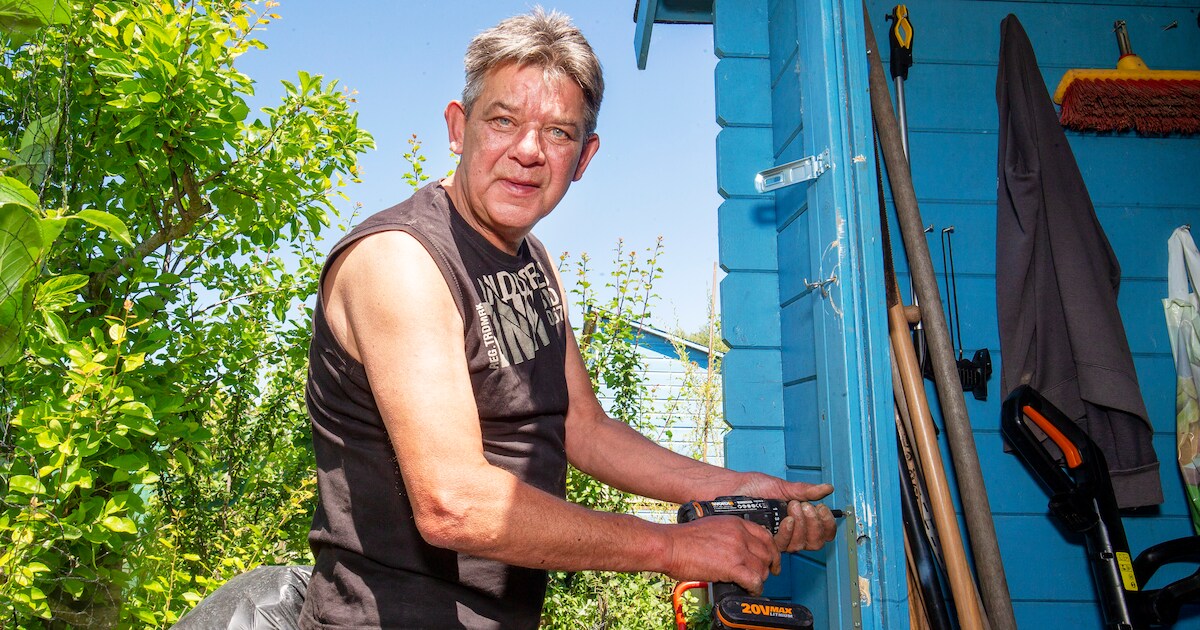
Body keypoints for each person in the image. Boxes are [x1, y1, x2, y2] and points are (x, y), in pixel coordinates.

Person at [299, 8, 837, 629]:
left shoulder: (531, 262)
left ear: (584, 157)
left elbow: (584, 429)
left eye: (558, 133)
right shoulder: (402, 263)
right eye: (503, 120)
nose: (528, 151)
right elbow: (454, 503)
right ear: (457, 127)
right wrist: (671, 547)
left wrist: (731, 489)